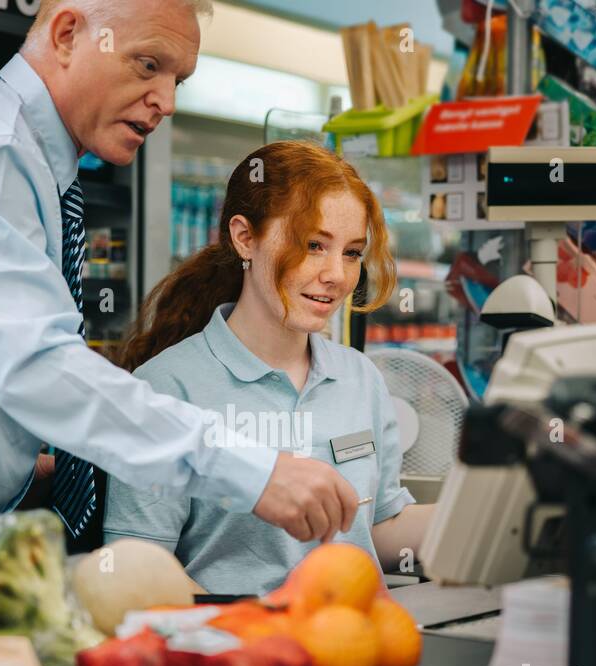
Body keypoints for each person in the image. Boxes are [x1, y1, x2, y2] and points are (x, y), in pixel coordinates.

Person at [0, 0, 359, 561]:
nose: (166, 102)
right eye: (148, 65)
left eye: (178, 79)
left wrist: (24, 460)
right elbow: (35, 365)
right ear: (69, 34)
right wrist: (252, 471)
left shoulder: (28, 157)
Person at [104, 142, 435, 595]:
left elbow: (376, 528)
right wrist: (261, 628)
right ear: (245, 238)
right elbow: (137, 570)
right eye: (313, 245)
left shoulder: (361, 378)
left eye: (353, 253)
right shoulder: (165, 389)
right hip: (238, 653)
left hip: (359, 648)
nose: (337, 275)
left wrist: (491, 514)